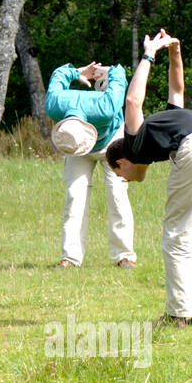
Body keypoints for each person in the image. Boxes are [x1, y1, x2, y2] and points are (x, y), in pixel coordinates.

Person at [104, 31, 192, 327]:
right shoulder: (166, 122)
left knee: (176, 234)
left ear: (122, 161)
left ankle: (178, 314)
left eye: (121, 175)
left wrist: (149, 54)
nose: (126, 179)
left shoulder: (135, 141)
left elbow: (132, 100)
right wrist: (175, 50)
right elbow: (177, 89)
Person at [45, 60, 137, 269]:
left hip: (112, 142)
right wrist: (77, 73)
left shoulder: (105, 107)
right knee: (74, 197)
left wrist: (108, 72)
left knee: (117, 195)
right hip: (76, 145)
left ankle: (124, 256)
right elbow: (59, 73)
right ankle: (70, 258)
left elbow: (120, 76)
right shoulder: (54, 104)